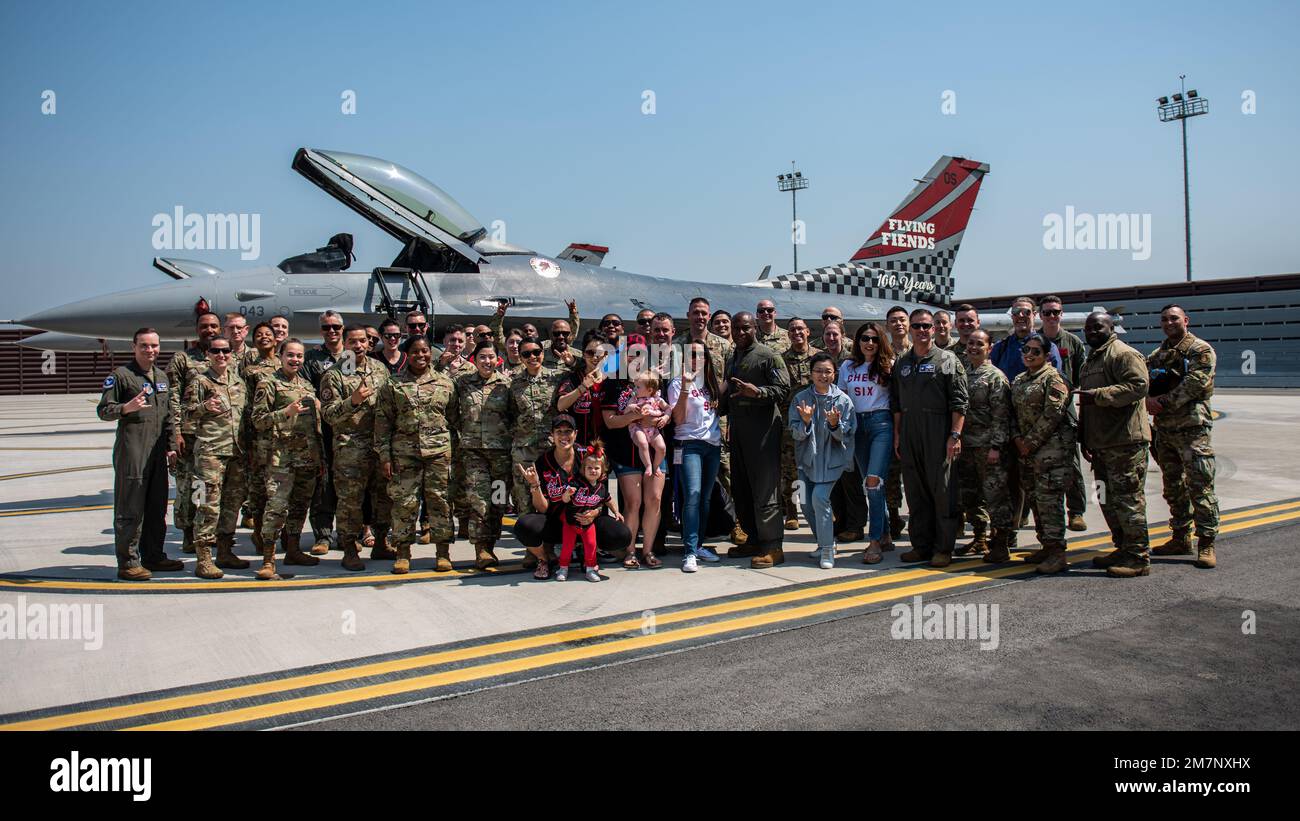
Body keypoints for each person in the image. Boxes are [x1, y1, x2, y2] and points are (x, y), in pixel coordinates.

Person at [97, 328, 183, 580]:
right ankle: (128, 562)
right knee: (131, 509)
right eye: (144, 345)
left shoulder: (161, 377)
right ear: (134, 347)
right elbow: (103, 410)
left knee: (157, 508)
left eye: (154, 346)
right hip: (133, 453)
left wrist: (171, 447)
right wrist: (126, 407)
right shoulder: (121, 376)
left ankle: (154, 556)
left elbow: (168, 417)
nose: (150, 350)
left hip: (157, 454)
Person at [1078, 312, 1152, 578]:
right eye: (1088, 328)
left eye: (1098, 327)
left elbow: (1139, 386)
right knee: (1108, 501)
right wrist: (1085, 437)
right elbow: (1085, 404)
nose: (1092, 331)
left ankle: (1138, 557)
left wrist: (1098, 395)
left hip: (1125, 443)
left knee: (1128, 501)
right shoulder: (1092, 359)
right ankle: (1123, 547)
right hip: (1102, 443)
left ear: (1112, 328)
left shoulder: (1123, 353)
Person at [891, 308, 968, 567]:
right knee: (915, 492)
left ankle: (943, 548)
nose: (922, 330)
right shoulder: (902, 362)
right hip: (910, 431)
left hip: (938, 430)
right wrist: (898, 435)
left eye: (927, 326)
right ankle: (921, 545)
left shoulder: (947, 360)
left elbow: (960, 402)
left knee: (942, 491)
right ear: (910, 330)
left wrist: (954, 435)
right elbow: (896, 403)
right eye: (917, 326)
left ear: (934, 329)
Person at [375, 337, 456, 574]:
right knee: (404, 504)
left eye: (425, 351)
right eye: (415, 351)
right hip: (404, 454)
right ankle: (402, 553)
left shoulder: (446, 383)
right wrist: (385, 456)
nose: (421, 355)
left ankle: (442, 552)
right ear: (406, 354)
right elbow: (383, 423)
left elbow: (453, 419)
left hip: (438, 453)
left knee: (440, 502)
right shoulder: (393, 384)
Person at [515, 416, 632, 579]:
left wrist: (595, 513)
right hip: (559, 521)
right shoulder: (543, 462)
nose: (564, 436)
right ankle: (544, 559)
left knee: (621, 535)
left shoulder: (588, 456)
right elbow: (543, 508)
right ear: (552, 435)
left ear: (576, 434)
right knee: (524, 526)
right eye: (559, 432)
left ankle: (588, 552)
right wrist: (535, 485)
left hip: (588, 519)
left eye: (568, 431)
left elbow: (602, 493)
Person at [1146, 304, 1219, 568]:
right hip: (1165, 431)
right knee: (1173, 487)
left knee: (1200, 485)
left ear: (1185, 320)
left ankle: (1207, 542)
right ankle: (1180, 536)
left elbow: (1195, 383)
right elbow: (1145, 381)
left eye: (1174, 318)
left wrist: (1161, 402)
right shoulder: (1158, 354)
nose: (1169, 323)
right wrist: (1147, 399)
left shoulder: (1200, 350)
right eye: (1164, 319)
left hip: (1192, 431)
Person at [721, 311, 791, 568]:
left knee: (765, 490)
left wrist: (758, 392)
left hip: (763, 433)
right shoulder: (733, 356)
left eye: (746, 328)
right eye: (736, 328)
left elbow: (784, 389)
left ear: (755, 329)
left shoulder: (768, 356)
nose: (740, 333)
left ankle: (773, 546)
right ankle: (753, 538)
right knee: (742, 489)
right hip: (739, 432)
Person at [320, 326, 393, 571]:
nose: (359, 345)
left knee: (383, 498)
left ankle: (381, 542)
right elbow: (328, 415)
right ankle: (349, 548)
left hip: (378, 447)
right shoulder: (334, 375)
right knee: (350, 502)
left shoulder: (380, 370)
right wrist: (353, 401)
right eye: (353, 341)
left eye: (363, 341)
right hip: (350, 450)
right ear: (344, 343)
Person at [251, 339, 323, 579]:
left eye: (299, 356)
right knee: (276, 508)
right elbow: (259, 420)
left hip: (306, 457)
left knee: (300, 507)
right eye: (290, 355)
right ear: (280, 356)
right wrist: (287, 412)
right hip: (281, 458)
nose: (295, 360)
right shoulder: (268, 383)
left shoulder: (306, 386)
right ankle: (269, 560)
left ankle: (293, 550)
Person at [184, 336, 252, 578]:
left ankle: (224, 551)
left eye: (225, 351)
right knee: (207, 505)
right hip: (210, 453)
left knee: (231, 505)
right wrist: (203, 407)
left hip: (236, 453)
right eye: (216, 351)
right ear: (209, 354)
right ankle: (203, 558)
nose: (221, 355)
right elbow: (185, 416)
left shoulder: (239, 382)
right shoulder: (200, 381)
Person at [601, 335, 669, 568]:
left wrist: (661, 418)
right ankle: (630, 550)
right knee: (633, 502)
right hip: (626, 452)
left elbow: (665, 410)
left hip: (654, 448)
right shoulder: (613, 383)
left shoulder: (653, 379)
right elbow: (610, 422)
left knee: (655, 500)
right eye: (631, 353)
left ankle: (647, 551)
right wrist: (638, 416)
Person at [1010, 333, 1073, 574]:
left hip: (1050, 453)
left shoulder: (1053, 379)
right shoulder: (1019, 380)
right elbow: (1012, 413)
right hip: (1026, 453)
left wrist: (1030, 442)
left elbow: (1053, 414)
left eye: (1035, 351)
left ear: (1046, 356)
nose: (1029, 354)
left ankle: (1058, 552)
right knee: (1036, 501)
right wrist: (1017, 439)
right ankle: (1046, 546)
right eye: (1026, 349)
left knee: (1050, 502)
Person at [450, 340, 513, 570]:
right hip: (473, 453)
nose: (487, 361)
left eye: (491, 357)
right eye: (482, 357)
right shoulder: (463, 383)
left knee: (498, 502)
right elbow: (452, 412)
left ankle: (491, 544)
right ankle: (481, 550)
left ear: (497, 359)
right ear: (474, 360)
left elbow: (514, 414)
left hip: (500, 455)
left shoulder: (506, 385)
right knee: (479, 502)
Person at [790, 352, 857, 569]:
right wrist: (806, 422)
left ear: (834, 373)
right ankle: (823, 542)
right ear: (811, 374)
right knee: (806, 504)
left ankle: (828, 549)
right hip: (807, 460)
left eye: (828, 371)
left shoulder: (843, 401)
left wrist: (835, 425)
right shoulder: (801, 399)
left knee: (820, 498)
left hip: (832, 460)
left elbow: (847, 434)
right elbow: (795, 433)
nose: (823, 375)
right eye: (818, 371)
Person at [954, 330, 1014, 562]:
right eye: (970, 343)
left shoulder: (995, 376)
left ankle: (1000, 542)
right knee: (971, 495)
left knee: (995, 495)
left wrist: (997, 446)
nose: (974, 347)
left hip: (988, 446)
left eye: (980, 344)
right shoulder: (963, 372)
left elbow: (1001, 415)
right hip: (967, 445)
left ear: (989, 348)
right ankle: (979, 538)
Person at [839, 322, 895, 563]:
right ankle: (885, 534)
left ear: (880, 341)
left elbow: (898, 402)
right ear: (858, 341)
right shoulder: (847, 366)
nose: (869, 343)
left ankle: (873, 542)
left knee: (874, 481)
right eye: (864, 338)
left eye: (873, 339)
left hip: (881, 423)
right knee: (871, 484)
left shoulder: (888, 366)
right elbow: (840, 397)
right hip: (856, 425)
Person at [168, 311, 222, 554]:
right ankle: (189, 533)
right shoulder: (183, 359)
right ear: (197, 329)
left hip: (216, 436)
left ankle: (210, 533)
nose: (209, 330)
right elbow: (173, 397)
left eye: (213, 326)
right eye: (204, 326)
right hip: (190, 435)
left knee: (211, 488)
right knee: (189, 487)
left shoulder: (223, 356)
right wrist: (175, 433)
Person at [667, 341, 724, 571]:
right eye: (690, 355)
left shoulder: (710, 384)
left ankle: (698, 544)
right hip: (688, 444)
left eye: (700, 356)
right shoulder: (676, 383)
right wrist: (684, 389)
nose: (695, 359)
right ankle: (689, 551)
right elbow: (678, 419)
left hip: (712, 445)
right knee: (692, 494)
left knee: (705, 498)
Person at [1039, 295, 1088, 532]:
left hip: (1065, 413)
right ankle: (1033, 513)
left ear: (1062, 314)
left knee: (1072, 464)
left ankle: (1076, 511)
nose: (1051, 316)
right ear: (1040, 315)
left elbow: (1081, 377)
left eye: (1055, 312)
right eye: (1047, 312)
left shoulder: (1072, 342)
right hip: (1037, 413)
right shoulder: (1034, 341)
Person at [507, 337, 566, 520]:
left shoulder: (557, 378)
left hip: (551, 449)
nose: (532, 357)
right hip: (524, 451)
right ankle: (530, 545)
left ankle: (553, 542)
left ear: (543, 353)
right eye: (526, 354)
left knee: (555, 497)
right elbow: (510, 413)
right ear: (521, 358)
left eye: (536, 352)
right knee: (524, 501)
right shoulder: (514, 383)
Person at [303, 310, 347, 555]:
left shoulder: (351, 356)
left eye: (336, 327)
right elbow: (306, 389)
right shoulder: (312, 358)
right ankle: (322, 535)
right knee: (322, 483)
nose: (332, 331)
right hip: (322, 429)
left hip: (348, 431)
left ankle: (347, 533)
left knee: (347, 484)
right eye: (327, 327)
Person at [240, 322, 280, 545]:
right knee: (258, 487)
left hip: (283, 436)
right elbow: (245, 406)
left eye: (268, 334)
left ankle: (279, 533)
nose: (264, 337)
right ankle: (258, 530)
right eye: (259, 334)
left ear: (276, 339)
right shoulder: (249, 371)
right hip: (258, 437)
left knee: (280, 487)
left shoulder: (285, 365)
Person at [557, 445, 620, 582]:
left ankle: (590, 569)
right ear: (583, 469)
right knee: (567, 547)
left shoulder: (601, 488)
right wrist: (567, 494)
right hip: (571, 522)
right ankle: (563, 568)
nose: (593, 471)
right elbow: (564, 499)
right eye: (589, 468)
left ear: (603, 471)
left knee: (591, 545)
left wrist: (616, 512)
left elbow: (608, 500)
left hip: (588, 524)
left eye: (596, 468)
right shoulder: (576, 483)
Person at [780, 318, 814, 529]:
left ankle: (821, 508)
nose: (796, 332)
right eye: (792, 330)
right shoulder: (782, 359)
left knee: (817, 465)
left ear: (808, 331)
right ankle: (792, 511)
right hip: (790, 422)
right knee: (790, 469)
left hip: (816, 422)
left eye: (800, 329)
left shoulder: (818, 356)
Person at [555, 331, 608, 447]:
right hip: (579, 446)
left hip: (608, 447)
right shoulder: (574, 378)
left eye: (599, 353)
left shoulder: (612, 381)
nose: (595, 357)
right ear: (583, 354)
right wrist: (582, 387)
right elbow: (560, 405)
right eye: (590, 353)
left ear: (606, 355)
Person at [627, 372, 670, 476]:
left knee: (662, 447)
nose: (634, 390)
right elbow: (625, 412)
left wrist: (666, 417)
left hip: (653, 429)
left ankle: (656, 465)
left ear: (650, 390)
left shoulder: (657, 399)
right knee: (643, 443)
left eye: (638, 387)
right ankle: (648, 465)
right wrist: (631, 407)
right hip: (638, 428)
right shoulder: (634, 399)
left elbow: (668, 408)